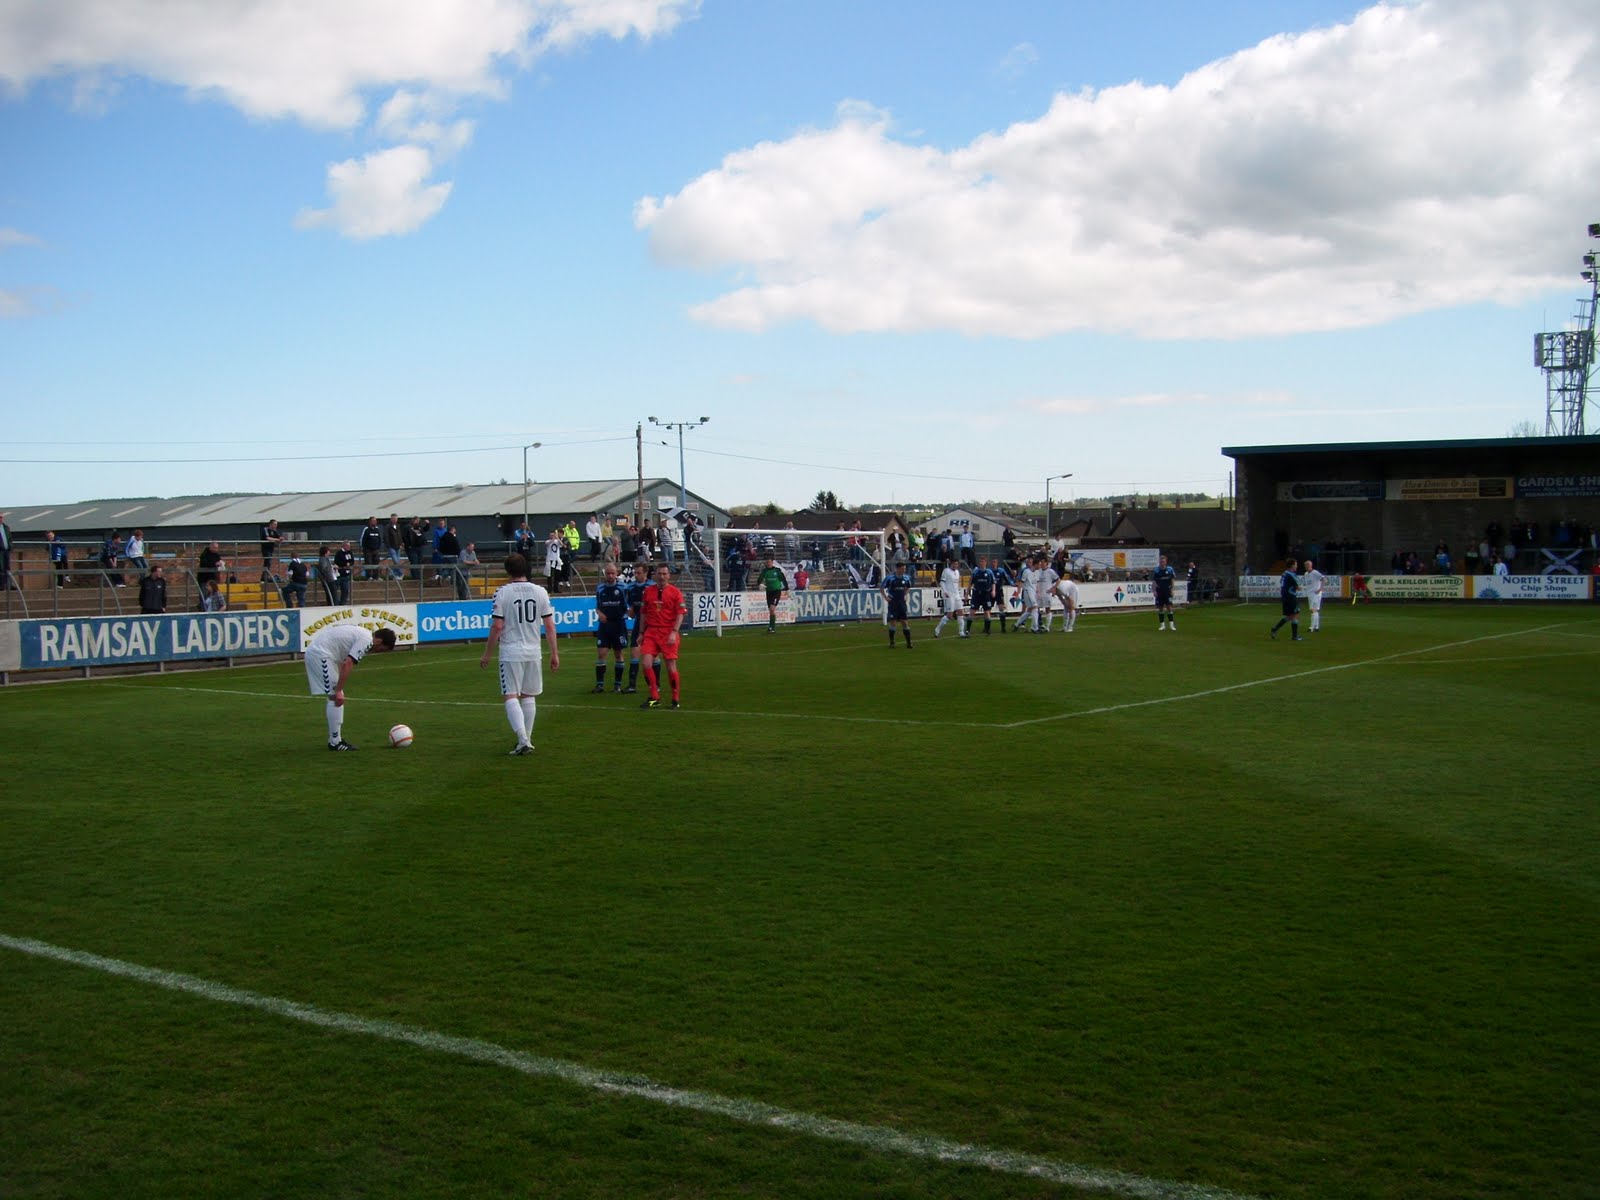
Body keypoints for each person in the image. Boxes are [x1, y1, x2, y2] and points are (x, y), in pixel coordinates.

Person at [479, 553, 560, 755]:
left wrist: (487, 653)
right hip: (534, 651)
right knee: (529, 695)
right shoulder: (540, 591)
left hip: (511, 651)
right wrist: (554, 653)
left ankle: (523, 740)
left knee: (510, 695)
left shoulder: (502, 592)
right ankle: (526, 740)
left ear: (508, 571)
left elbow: (497, 626)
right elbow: (550, 626)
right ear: (525, 569)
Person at [306, 623, 398, 750]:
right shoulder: (366, 640)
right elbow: (348, 664)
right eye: (382, 649)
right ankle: (335, 743)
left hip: (323, 653)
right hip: (320, 654)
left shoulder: (363, 634)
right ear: (379, 641)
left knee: (336, 697)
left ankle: (336, 740)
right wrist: (338, 690)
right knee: (335, 698)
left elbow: (342, 658)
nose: (377, 652)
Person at [638, 562, 686, 708]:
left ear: (669, 576)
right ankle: (654, 696)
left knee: (671, 666)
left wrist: (674, 632)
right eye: (659, 574)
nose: (662, 576)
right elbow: (644, 613)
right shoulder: (648, 591)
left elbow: (680, 614)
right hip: (651, 631)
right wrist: (641, 632)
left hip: (668, 632)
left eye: (664, 574)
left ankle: (675, 698)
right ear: (655, 575)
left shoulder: (675, 592)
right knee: (646, 663)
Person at [592, 562, 630, 692]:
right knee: (601, 653)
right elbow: (597, 606)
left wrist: (626, 613)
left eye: (612, 573)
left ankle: (617, 685)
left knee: (618, 653)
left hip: (618, 624)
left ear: (616, 573)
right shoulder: (600, 588)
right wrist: (600, 613)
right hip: (604, 625)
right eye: (608, 573)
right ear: (605, 573)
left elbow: (628, 605)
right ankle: (600, 684)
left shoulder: (623, 588)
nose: (610, 575)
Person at [623, 560, 651, 693]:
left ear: (646, 573)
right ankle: (632, 685)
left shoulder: (652, 587)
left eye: (639, 573)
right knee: (634, 652)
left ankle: (654, 685)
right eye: (635, 573)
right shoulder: (631, 588)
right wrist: (631, 611)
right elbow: (632, 607)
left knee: (652, 656)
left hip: (651, 625)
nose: (637, 575)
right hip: (638, 623)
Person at [880, 560, 915, 649]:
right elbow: (881, 588)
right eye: (902, 569)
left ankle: (909, 642)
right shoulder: (890, 578)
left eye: (904, 569)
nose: (904, 570)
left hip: (901, 603)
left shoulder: (906, 578)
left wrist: (905, 594)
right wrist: (886, 597)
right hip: (893, 603)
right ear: (898, 569)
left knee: (904, 622)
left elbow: (908, 587)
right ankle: (892, 642)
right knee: (893, 622)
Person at [969, 556, 1006, 635]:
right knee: (978, 611)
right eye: (980, 561)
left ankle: (1001, 628)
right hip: (978, 593)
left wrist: (993, 590)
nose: (982, 563)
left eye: (983, 561)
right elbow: (970, 582)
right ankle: (969, 630)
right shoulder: (976, 572)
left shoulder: (993, 572)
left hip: (993, 593)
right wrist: (967, 593)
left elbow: (995, 582)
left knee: (998, 609)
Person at [934, 559, 969, 638]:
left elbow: (956, 585)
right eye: (954, 564)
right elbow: (942, 582)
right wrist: (945, 591)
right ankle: (937, 630)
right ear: (951, 564)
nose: (955, 565)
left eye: (957, 564)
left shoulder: (957, 572)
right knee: (949, 615)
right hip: (949, 595)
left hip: (957, 595)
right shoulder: (946, 571)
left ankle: (961, 632)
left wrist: (959, 593)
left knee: (961, 612)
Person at [1269, 560, 1304, 642]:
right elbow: (1299, 587)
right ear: (1292, 566)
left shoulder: (1284, 573)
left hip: (1285, 597)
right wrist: (1297, 587)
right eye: (1295, 564)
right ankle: (1294, 636)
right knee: (1294, 615)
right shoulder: (1291, 575)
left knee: (1290, 616)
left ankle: (1274, 629)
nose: (1296, 566)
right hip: (1291, 597)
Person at [756, 554, 788, 633]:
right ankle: (771, 627)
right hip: (769, 592)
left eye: (769, 562)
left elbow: (783, 579)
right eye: (767, 562)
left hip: (776, 591)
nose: (768, 563)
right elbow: (759, 580)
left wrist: (787, 589)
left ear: (772, 562)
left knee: (772, 608)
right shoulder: (765, 571)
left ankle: (771, 628)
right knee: (771, 610)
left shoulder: (777, 571)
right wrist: (760, 584)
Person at [1152, 554, 1177, 631]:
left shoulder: (1170, 569)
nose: (1162, 562)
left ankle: (1171, 625)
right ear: (1159, 562)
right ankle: (1162, 625)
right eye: (1161, 561)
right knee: (1160, 608)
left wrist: (1172, 590)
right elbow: (1154, 581)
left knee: (1169, 607)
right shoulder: (1156, 570)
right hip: (1159, 591)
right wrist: (1154, 590)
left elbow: (1172, 580)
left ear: (1166, 562)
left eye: (1163, 561)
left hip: (1167, 591)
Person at [1302, 558, 1326, 632]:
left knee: (1313, 610)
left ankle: (1311, 627)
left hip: (1315, 593)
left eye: (1308, 565)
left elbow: (1324, 579)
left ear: (1311, 565)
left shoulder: (1315, 572)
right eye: (1306, 565)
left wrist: (1320, 589)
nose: (1307, 566)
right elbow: (1307, 584)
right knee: (1315, 610)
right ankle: (1316, 627)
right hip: (1310, 594)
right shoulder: (1306, 574)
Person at [359, 517, 383, 581]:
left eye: (375, 521)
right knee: (368, 563)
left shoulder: (377, 529)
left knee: (376, 563)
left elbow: (379, 539)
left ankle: (376, 577)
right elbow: (362, 540)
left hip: (376, 550)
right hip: (368, 550)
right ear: (370, 522)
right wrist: (364, 548)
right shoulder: (366, 529)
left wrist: (378, 547)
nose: (374, 522)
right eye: (373, 521)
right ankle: (369, 576)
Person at [384, 514, 406, 580]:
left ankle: (395, 575)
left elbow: (399, 535)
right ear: (391, 519)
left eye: (396, 519)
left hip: (397, 546)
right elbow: (386, 536)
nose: (394, 520)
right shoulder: (388, 527)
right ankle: (401, 573)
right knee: (395, 560)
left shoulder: (398, 526)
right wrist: (388, 545)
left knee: (397, 561)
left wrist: (401, 543)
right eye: (393, 518)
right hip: (391, 546)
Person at [0, 512, 9, 590]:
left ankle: (8, 584)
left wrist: (11, 546)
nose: (0, 519)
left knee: (7, 567)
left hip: (7, 550)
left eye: (1, 517)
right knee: (1, 568)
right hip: (0, 551)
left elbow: (9, 538)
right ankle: (2, 585)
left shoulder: (6, 527)